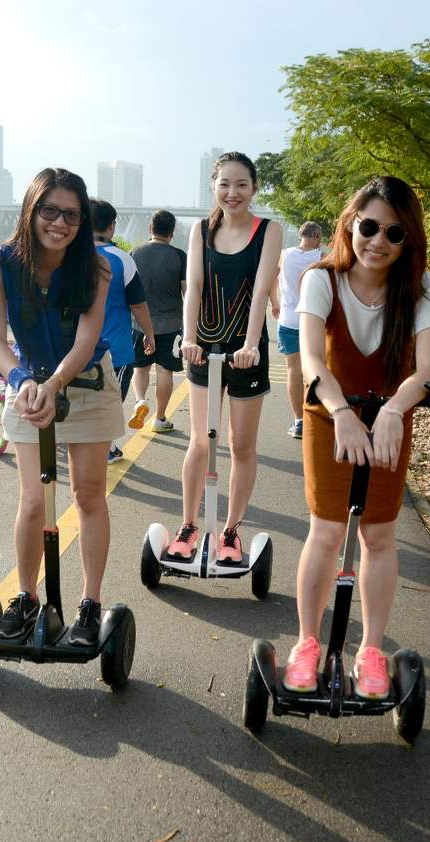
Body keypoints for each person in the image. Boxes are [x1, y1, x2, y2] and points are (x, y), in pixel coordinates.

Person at [283, 176, 430, 700]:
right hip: (331, 416)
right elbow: (311, 359)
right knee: (327, 532)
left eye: (393, 233)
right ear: (351, 223)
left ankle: (371, 649)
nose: (378, 241)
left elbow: (428, 371)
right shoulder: (322, 280)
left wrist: (396, 408)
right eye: (369, 226)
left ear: (408, 240)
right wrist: (343, 414)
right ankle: (307, 642)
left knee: (378, 536)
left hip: (390, 419)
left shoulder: (420, 288)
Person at [0, 168, 121, 648]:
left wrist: (55, 382)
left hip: (84, 381)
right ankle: (26, 597)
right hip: (26, 383)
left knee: (87, 493)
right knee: (33, 500)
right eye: (50, 210)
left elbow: (86, 337)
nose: (60, 222)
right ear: (31, 210)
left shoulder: (96, 268)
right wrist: (21, 380)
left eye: (72, 215)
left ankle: (90, 603)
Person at [166, 152, 283, 564]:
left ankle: (231, 531)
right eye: (224, 185)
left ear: (253, 188)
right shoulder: (199, 230)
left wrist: (251, 345)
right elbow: (194, 289)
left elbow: (260, 291)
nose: (232, 193)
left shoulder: (269, 231)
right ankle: (188, 525)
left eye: (241, 185)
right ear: (214, 187)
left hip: (246, 352)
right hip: (204, 348)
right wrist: (189, 338)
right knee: (200, 442)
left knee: (241, 446)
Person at [90, 198, 155, 463]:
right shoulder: (122, 259)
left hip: (69, 348)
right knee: (111, 399)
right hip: (114, 347)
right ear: (112, 226)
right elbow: (138, 305)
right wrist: (149, 334)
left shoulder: (67, 255)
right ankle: (105, 448)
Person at [129, 209, 186, 433]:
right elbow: (187, 292)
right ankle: (160, 418)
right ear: (172, 232)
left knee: (140, 368)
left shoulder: (135, 253)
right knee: (165, 371)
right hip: (171, 325)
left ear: (150, 229)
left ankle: (140, 400)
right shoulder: (180, 256)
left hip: (139, 324)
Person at [271, 221, 324, 439]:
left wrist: (275, 302)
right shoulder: (322, 257)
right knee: (317, 367)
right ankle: (318, 418)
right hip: (315, 320)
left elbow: (270, 278)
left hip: (289, 319)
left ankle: (299, 421)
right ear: (316, 236)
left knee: (293, 370)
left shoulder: (285, 255)